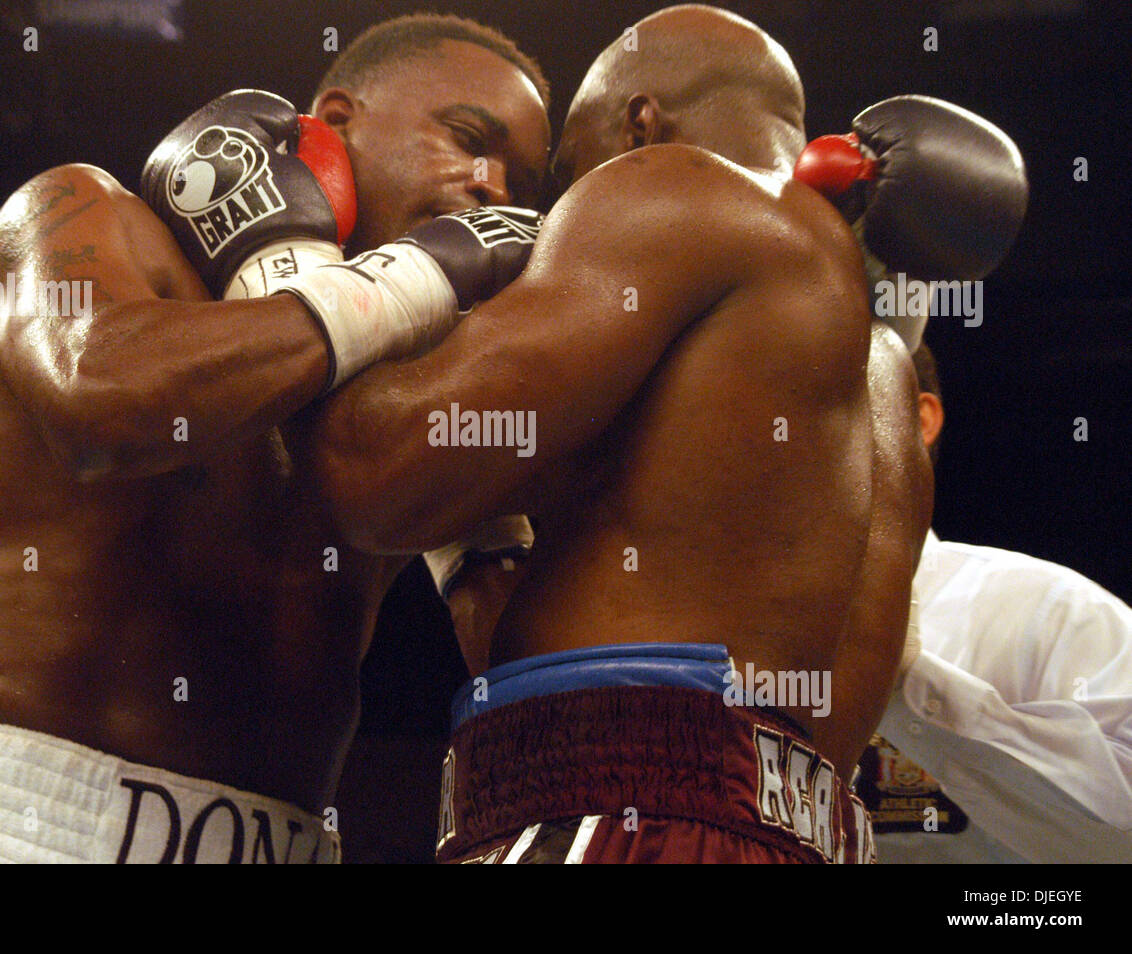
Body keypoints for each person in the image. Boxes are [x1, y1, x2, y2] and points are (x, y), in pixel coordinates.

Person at [293, 4, 1032, 862]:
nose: (546, 219)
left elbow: (369, 478)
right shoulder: (884, 364)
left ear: (639, 123)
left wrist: (294, 263)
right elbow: (549, 644)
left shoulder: (670, 186)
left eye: (565, 175)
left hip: (618, 816)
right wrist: (478, 527)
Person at [0, 13, 551, 864]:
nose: (493, 186)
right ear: (334, 119)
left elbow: (516, 661)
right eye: (469, 138)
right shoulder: (86, 213)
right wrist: (407, 280)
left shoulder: (405, 390)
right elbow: (99, 403)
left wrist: (491, 519)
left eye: (521, 176)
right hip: (20, 829)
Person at [863, 344, 1132, 863]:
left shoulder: (1053, 614)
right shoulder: (701, 636)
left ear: (917, 421)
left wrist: (907, 681)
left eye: (826, 400)